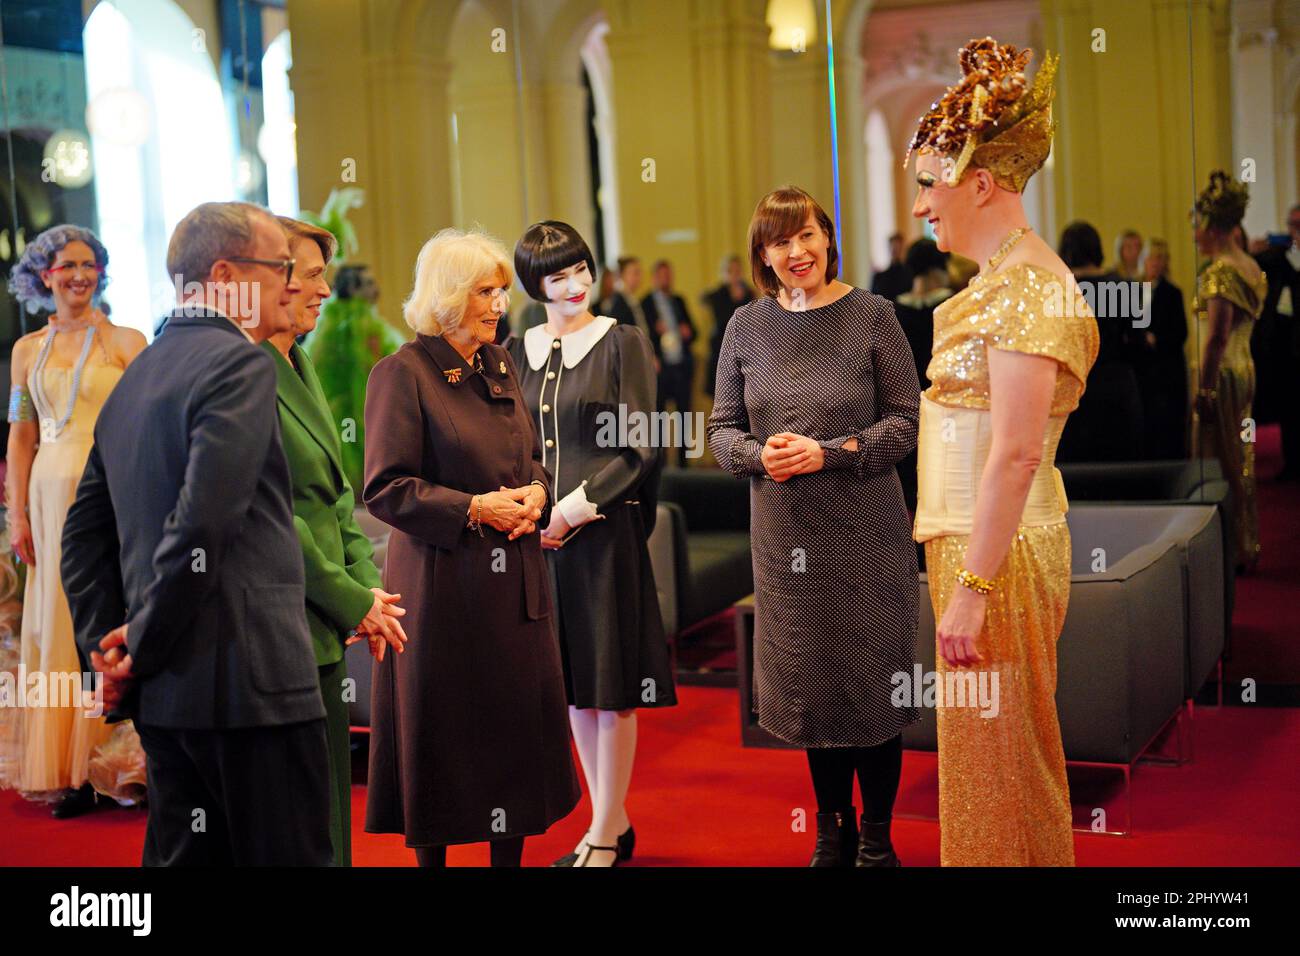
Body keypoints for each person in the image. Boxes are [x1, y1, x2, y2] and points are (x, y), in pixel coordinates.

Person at [60, 201, 334, 865]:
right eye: (282, 269)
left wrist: (111, 652)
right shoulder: (240, 365)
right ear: (225, 273)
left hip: (167, 700)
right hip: (253, 689)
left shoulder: (138, 376)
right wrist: (140, 649)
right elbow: (204, 526)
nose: (292, 286)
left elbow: (82, 535)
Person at [905, 37, 1098, 865]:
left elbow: (1017, 454)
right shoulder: (1008, 281)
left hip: (1001, 556)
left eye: (929, 184)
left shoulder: (1028, 287)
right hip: (982, 547)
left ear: (981, 181)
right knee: (991, 760)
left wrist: (975, 590)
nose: (920, 208)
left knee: (1001, 760)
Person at [708, 185, 920, 867]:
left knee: (871, 678)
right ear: (763, 255)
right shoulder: (745, 327)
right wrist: (752, 454)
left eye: (807, 236)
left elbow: (908, 424)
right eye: (780, 241)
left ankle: (877, 836)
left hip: (867, 533)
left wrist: (829, 452)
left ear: (828, 239)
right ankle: (831, 830)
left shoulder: (873, 316)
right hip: (786, 537)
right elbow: (720, 431)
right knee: (812, 687)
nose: (796, 252)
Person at [363, 228, 580, 867]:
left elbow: (532, 458)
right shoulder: (401, 373)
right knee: (443, 739)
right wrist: (474, 509)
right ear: (449, 295)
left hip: (514, 586)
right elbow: (386, 488)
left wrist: (538, 495)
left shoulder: (500, 362)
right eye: (485, 291)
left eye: (501, 292)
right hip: (442, 590)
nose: (498, 304)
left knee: (510, 741)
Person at [507, 221, 676, 868]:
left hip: (603, 534)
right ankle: (611, 821)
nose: (576, 285)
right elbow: (513, 442)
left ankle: (603, 834)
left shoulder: (620, 343)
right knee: (574, 685)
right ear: (536, 286)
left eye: (581, 269)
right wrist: (534, 511)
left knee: (611, 686)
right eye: (558, 276)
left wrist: (571, 511)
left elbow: (641, 445)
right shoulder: (517, 349)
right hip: (542, 539)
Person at [264, 217, 409, 865]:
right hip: (280, 620)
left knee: (327, 817)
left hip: (324, 619)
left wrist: (365, 584)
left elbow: (334, 494)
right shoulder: (245, 367)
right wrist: (353, 600)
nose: (326, 292)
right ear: (272, 278)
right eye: (315, 276)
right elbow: (273, 511)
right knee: (295, 821)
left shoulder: (298, 356)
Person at [3, 225, 146, 817]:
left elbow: (144, 424)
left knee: (103, 616)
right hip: (43, 493)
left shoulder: (127, 341)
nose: (80, 275)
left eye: (90, 264)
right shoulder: (25, 351)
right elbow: (21, 434)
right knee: (52, 626)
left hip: (109, 491)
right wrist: (16, 514)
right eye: (67, 266)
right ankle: (66, 770)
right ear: (45, 275)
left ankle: (115, 762)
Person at [1191, 170, 1269, 571]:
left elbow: (1216, 338)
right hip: (1245, 368)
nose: (1194, 232)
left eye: (1197, 223)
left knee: (1220, 460)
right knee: (1243, 455)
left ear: (1212, 226)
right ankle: (1245, 539)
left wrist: (1203, 391)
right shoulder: (1252, 267)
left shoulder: (1220, 272)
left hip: (1220, 374)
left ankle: (1229, 546)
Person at [302, 261, 404, 495]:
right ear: (353, 289)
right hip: (356, 414)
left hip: (334, 414)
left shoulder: (324, 325)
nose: (375, 289)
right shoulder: (364, 326)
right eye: (368, 283)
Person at [1054, 220, 1143, 462]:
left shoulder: (1056, 292)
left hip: (1073, 389)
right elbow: (1140, 347)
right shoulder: (1126, 288)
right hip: (1117, 386)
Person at [893, 237, 952, 513]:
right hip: (944, 408)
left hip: (904, 412)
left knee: (910, 497)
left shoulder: (892, 311)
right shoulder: (951, 305)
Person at [1253, 203, 1300, 480]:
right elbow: (1258, 266)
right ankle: (1292, 461)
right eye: (1292, 225)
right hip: (1284, 344)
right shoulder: (1279, 257)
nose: (1296, 231)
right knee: (1288, 408)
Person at [1136, 238, 1189, 459]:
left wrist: (1156, 340)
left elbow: (1181, 332)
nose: (1154, 263)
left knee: (1168, 425)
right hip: (1142, 369)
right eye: (1151, 258)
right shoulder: (1134, 290)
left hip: (1167, 369)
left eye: (1159, 258)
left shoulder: (1172, 292)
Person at [641, 259, 697, 434]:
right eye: (662, 275)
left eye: (669, 275)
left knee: (684, 416)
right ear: (654, 278)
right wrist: (655, 330)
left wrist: (687, 332)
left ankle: (684, 461)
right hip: (660, 367)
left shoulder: (678, 300)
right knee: (658, 416)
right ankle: (660, 460)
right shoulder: (645, 303)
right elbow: (641, 335)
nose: (666, 279)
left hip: (681, 365)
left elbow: (695, 332)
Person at [702, 254, 755, 396]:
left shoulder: (749, 293)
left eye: (738, 270)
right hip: (722, 350)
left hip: (745, 351)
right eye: (731, 270)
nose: (735, 274)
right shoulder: (717, 295)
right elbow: (722, 322)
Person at [606, 255, 651, 339]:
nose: (639, 277)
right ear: (622, 275)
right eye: (635, 273)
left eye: (639, 272)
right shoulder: (618, 304)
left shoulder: (632, 300)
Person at [870, 232, 912, 301]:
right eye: (893, 247)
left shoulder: (909, 274)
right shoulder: (879, 277)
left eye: (898, 247)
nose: (895, 249)